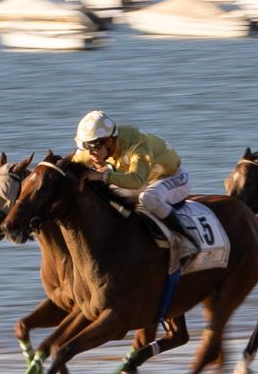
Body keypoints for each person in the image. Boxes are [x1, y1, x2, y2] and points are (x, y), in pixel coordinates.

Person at [71, 110, 197, 261]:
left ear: (109, 141)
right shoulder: (96, 147)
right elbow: (71, 165)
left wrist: (101, 175)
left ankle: (187, 241)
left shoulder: (137, 144)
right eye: (87, 148)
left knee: (149, 197)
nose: (91, 153)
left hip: (173, 177)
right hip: (145, 181)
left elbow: (137, 180)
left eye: (94, 147)